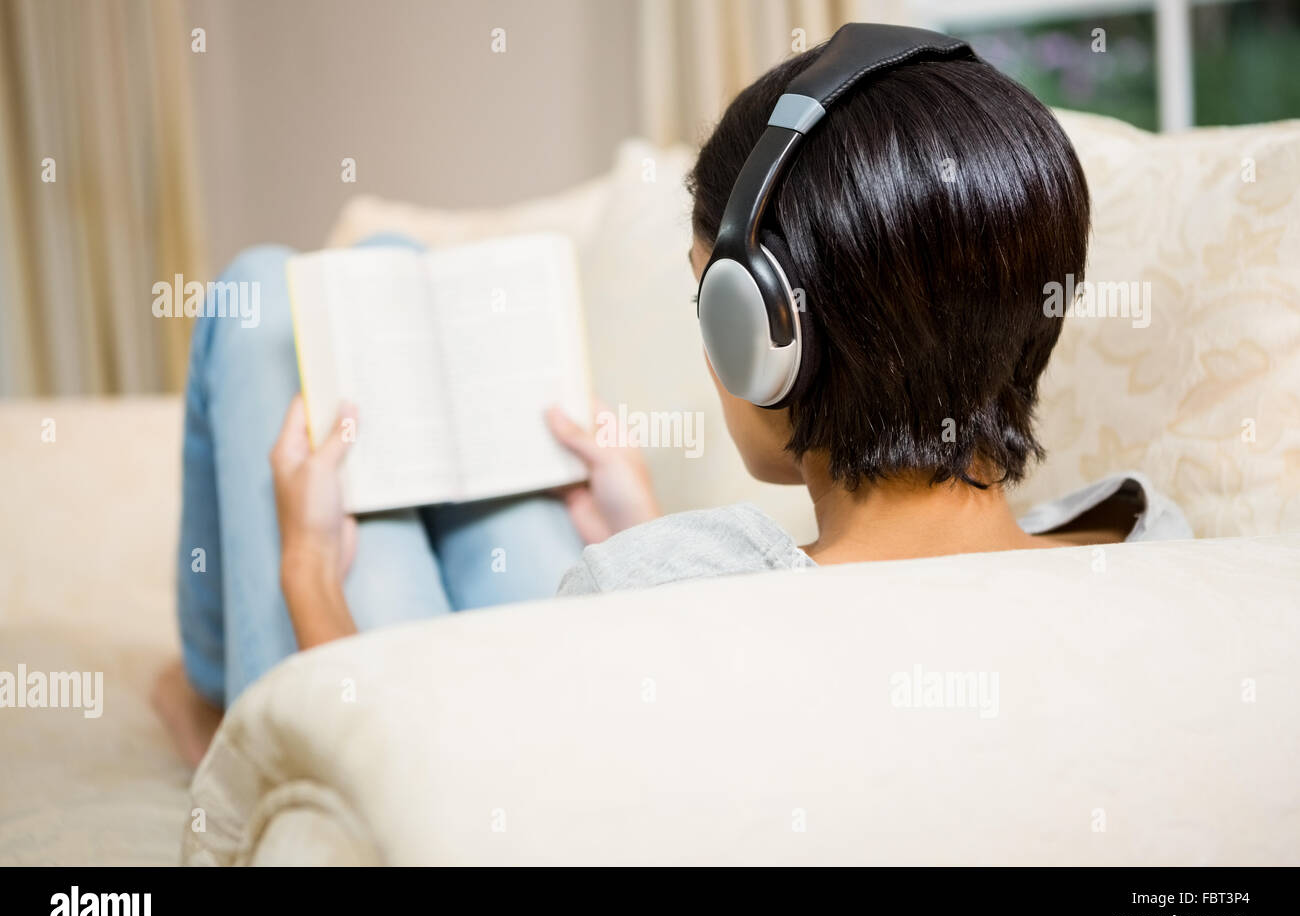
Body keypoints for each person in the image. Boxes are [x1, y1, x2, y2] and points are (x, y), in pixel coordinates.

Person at [153, 38, 1190, 766]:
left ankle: (222, 701)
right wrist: (647, 535)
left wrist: (304, 566)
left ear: (763, 335)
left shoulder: (635, 591)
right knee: (377, 271)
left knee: (259, 298)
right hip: (599, 671)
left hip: (435, 723)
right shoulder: (1148, 551)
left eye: (710, 298)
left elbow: (423, 796)